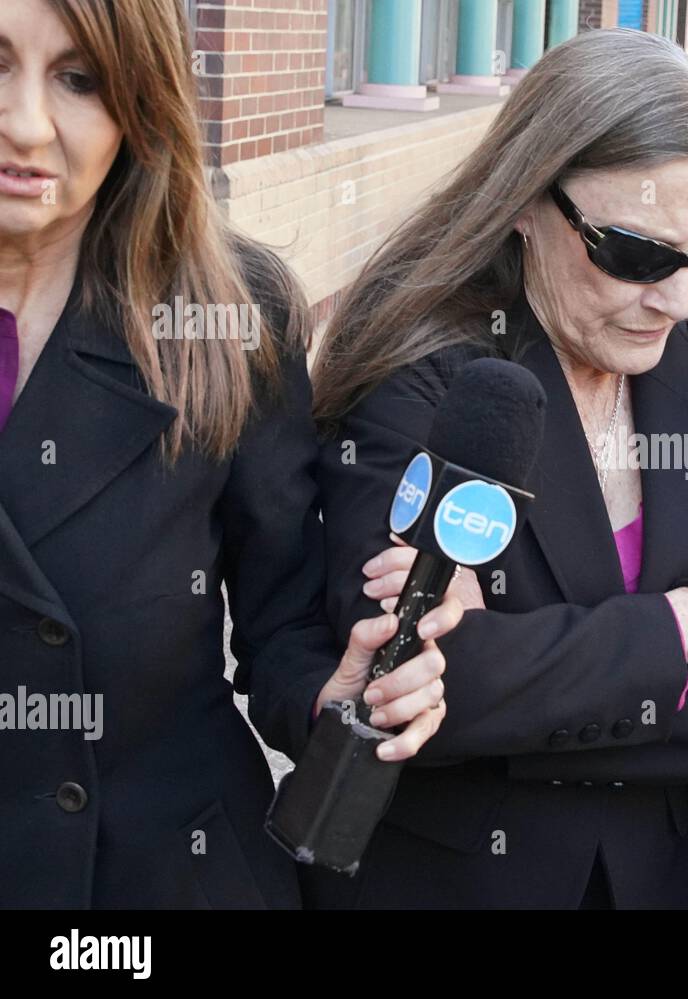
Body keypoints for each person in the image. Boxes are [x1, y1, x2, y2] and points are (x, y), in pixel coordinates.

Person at [306, 28, 688, 909]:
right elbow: (418, 687)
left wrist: (524, 687)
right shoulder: (425, 387)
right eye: (634, 253)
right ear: (524, 200)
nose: (677, 296)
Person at [0, 0, 456, 908]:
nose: (25, 124)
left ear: (141, 98)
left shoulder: (227, 320)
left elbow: (280, 620)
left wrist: (342, 691)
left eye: (79, 78)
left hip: (159, 873)